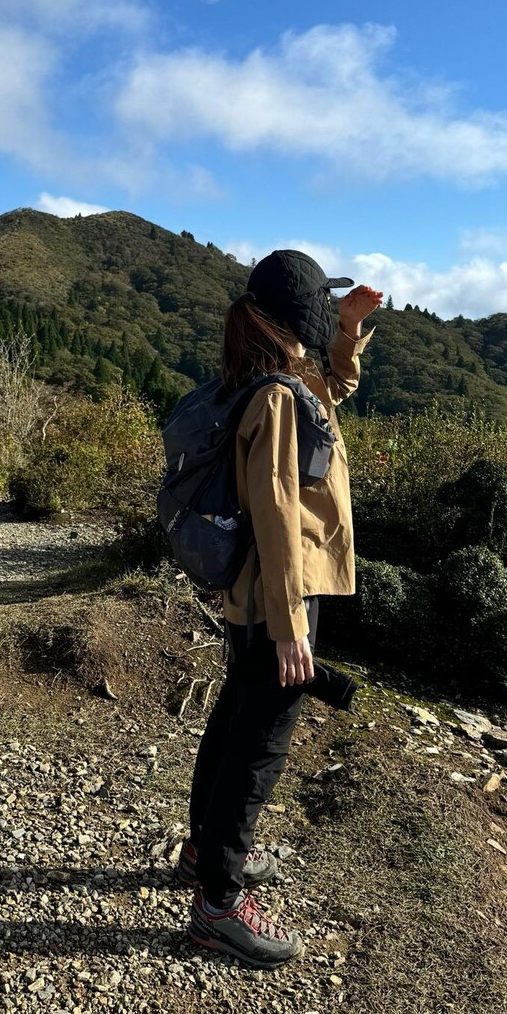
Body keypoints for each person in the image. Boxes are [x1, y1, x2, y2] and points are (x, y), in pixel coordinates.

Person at [178, 250, 383, 968]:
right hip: (277, 595)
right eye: (321, 309)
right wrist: (293, 625)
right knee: (261, 746)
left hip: (257, 597)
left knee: (236, 718)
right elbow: (275, 513)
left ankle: (205, 850)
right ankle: (219, 905)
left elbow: (336, 390)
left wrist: (350, 332)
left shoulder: (278, 380)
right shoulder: (274, 398)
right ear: (291, 316)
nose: (326, 314)